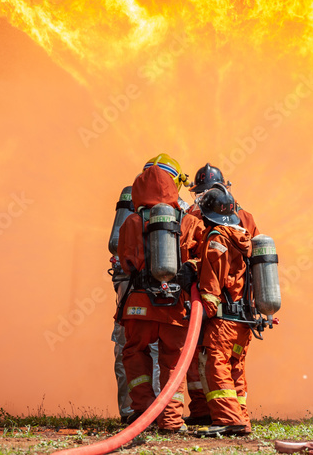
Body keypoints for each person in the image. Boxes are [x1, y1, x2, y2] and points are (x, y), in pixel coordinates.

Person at [115, 156, 195, 433]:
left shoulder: (131, 221)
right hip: (174, 306)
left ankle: (142, 414)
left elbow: (125, 262)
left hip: (138, 305)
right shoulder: (187, 221)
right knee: (173, 360)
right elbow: (196, 260)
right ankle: (172, 421)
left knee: (136, 354)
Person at [181, 164, 259, 426]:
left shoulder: (211, 229)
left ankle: (227, 419)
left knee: (215, 362)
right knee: (234, 365)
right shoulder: (242, 225)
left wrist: (204, 306)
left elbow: (212, 268)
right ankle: (238, 416)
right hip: (245, 313)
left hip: (220, 312)